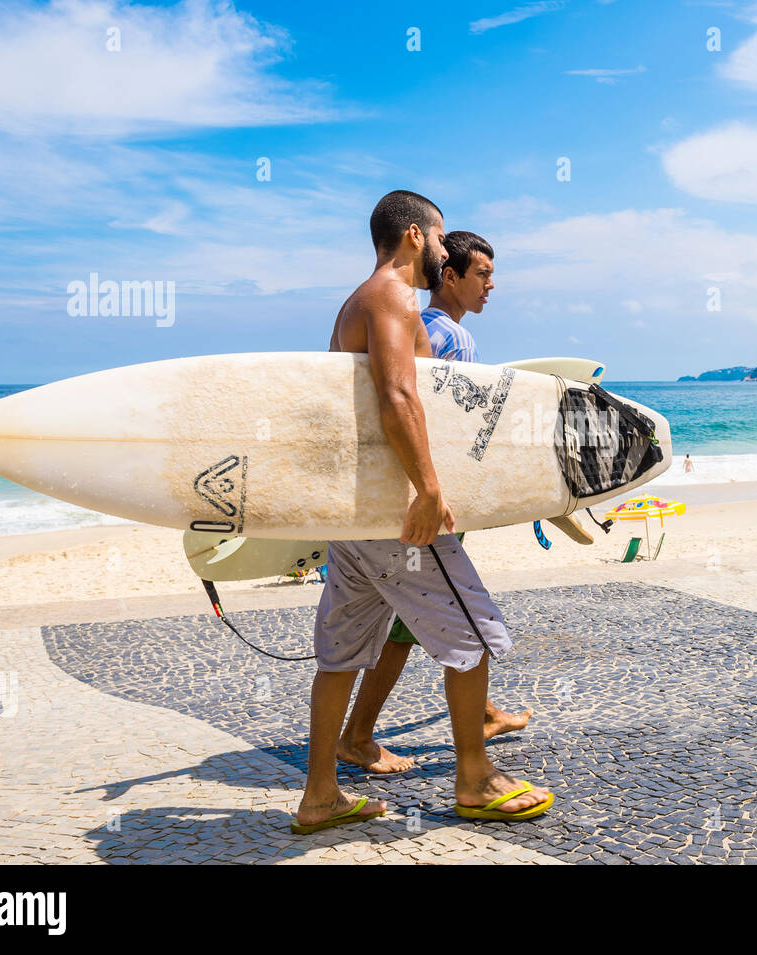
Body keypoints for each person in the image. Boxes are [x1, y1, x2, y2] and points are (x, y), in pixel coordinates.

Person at [294, 190, 552, 833]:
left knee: (342, 654)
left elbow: (429, 397)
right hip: (394, 512)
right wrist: (430, 489)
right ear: (415, 236)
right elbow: (398, 391)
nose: (444, 248)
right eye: (439, 239)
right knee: (474, 634)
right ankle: (475, 778)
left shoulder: (364, 301)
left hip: (354, 518)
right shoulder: (389, 295)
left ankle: (321, 794)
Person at [338, 230, 532, 778]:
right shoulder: (449, 337)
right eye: (482, 274)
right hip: (424, 499)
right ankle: (454, 760)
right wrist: (449, 492)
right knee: (427, 622)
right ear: (449, 275)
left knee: (399, 622)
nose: (491, 285)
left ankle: (481, 713)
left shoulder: (411, 323)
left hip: (389, 500)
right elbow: (452, 424)